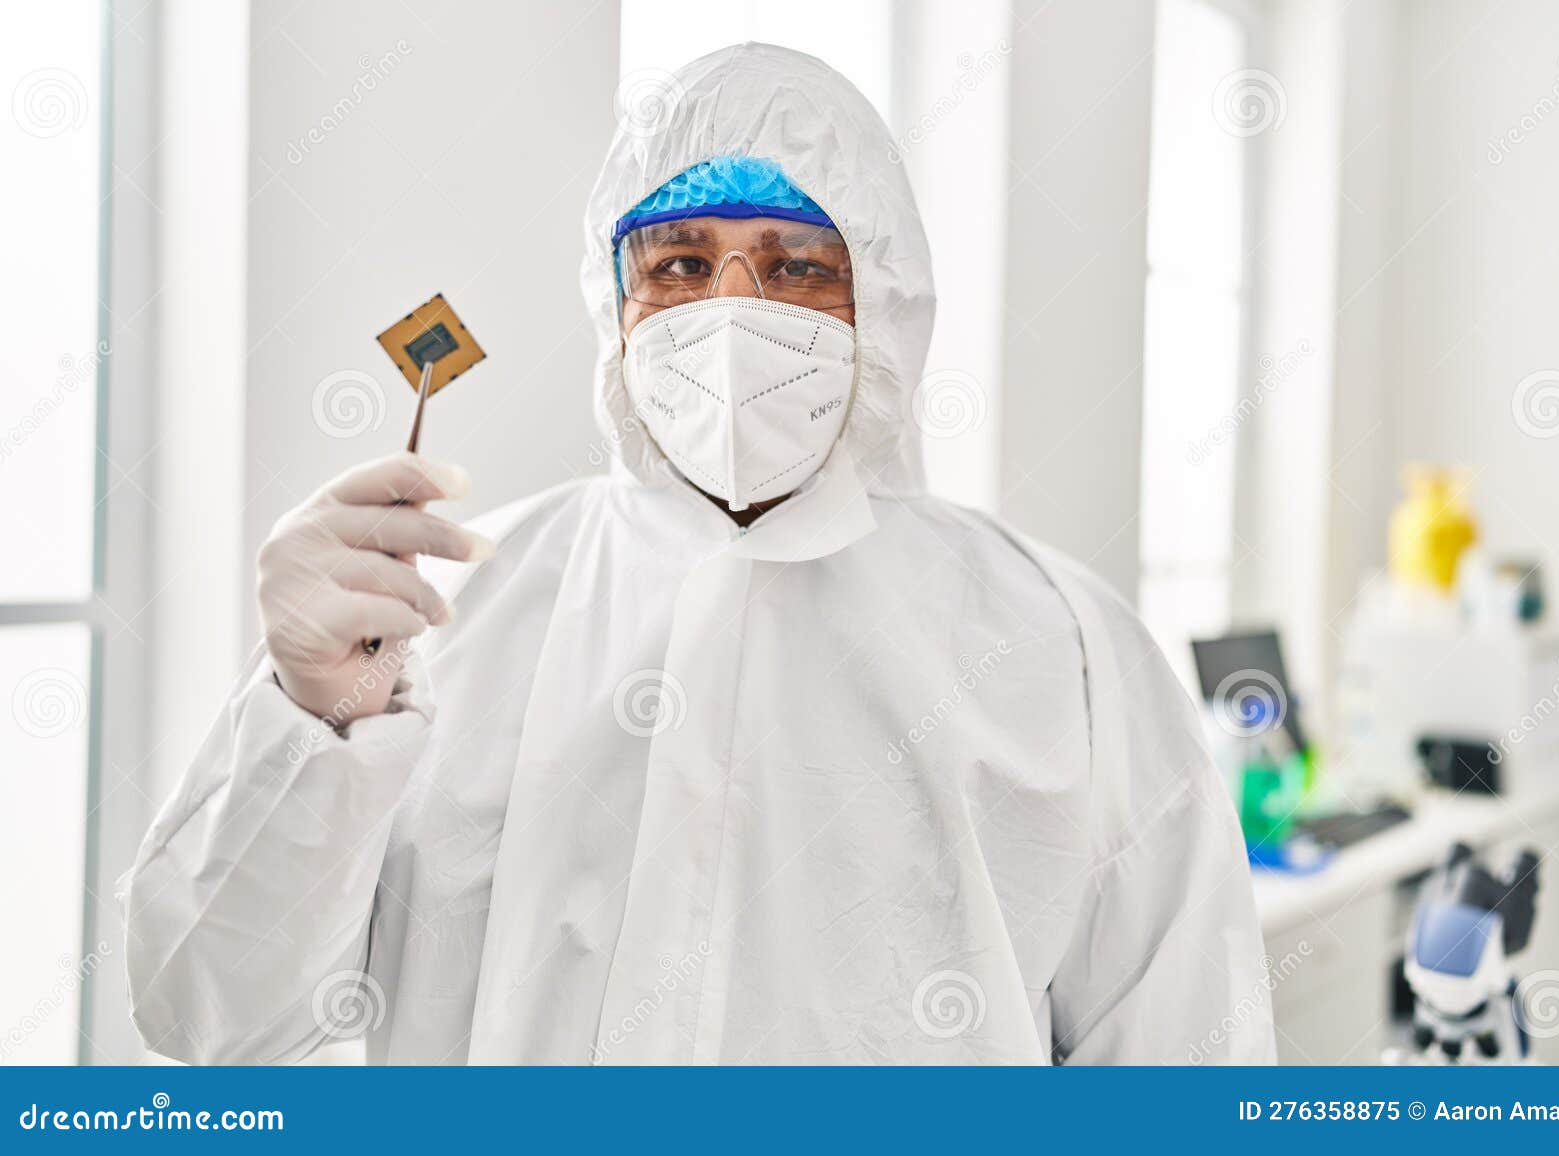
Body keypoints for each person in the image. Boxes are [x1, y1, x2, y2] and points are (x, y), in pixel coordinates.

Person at [121, 43, 1274, 1065]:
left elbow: (1186, 1067)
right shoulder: (440, 614)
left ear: (886, 304)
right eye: (676, 265)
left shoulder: (1062, 656)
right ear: (614, 304)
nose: (729, 316)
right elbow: (207, 1015)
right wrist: (311, 717)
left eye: (793, 268)